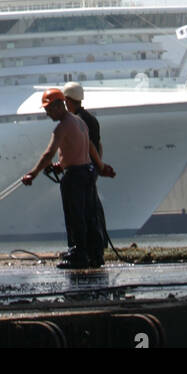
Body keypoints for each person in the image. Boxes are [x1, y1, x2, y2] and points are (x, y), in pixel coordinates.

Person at [21, 88, 114, 269]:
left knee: (75, 216)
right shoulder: (79, 122)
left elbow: (49, 153)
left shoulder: (62, 127)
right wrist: (101, 167)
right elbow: (90, 149)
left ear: (57, 106)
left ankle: (79, 253)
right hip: (87, 173)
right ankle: (95, 254)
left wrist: (33, 173)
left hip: (75, 177)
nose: (48, 115)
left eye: (48, 110)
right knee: (89, 215)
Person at [63, 82, 106, 262]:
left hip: (79, 170)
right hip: (90, 170)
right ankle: (95, 251)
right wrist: (97, 167)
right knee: (91, 211)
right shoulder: (91, 118)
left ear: (67, 101)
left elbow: (86, 146)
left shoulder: (75, 121)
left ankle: (79, 250)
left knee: (77, 212)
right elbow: (99, 145)